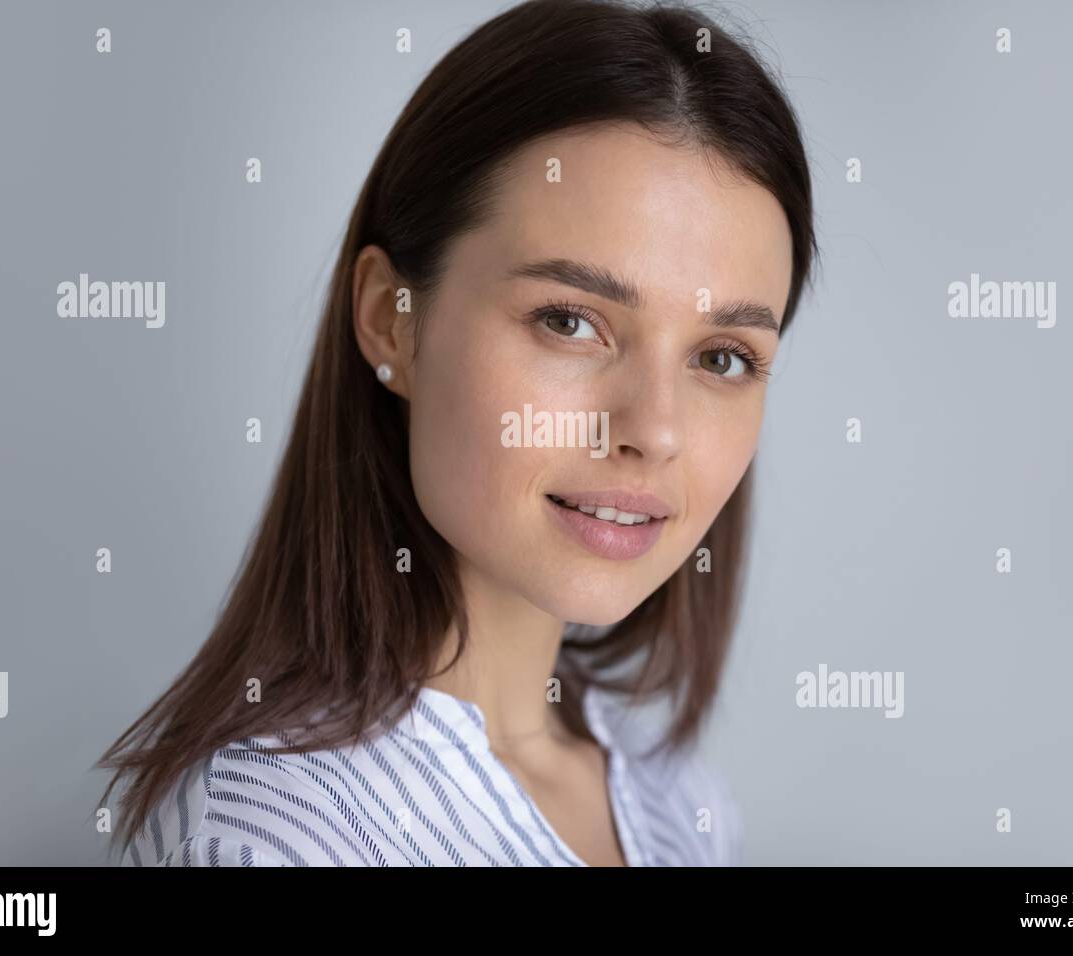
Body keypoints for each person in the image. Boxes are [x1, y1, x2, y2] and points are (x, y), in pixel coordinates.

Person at [97, 0, 817, 867]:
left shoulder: (685, 804)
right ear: (391, 321)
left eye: (724, 358)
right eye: (568, 320)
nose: (653, 431)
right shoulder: (266, 838)